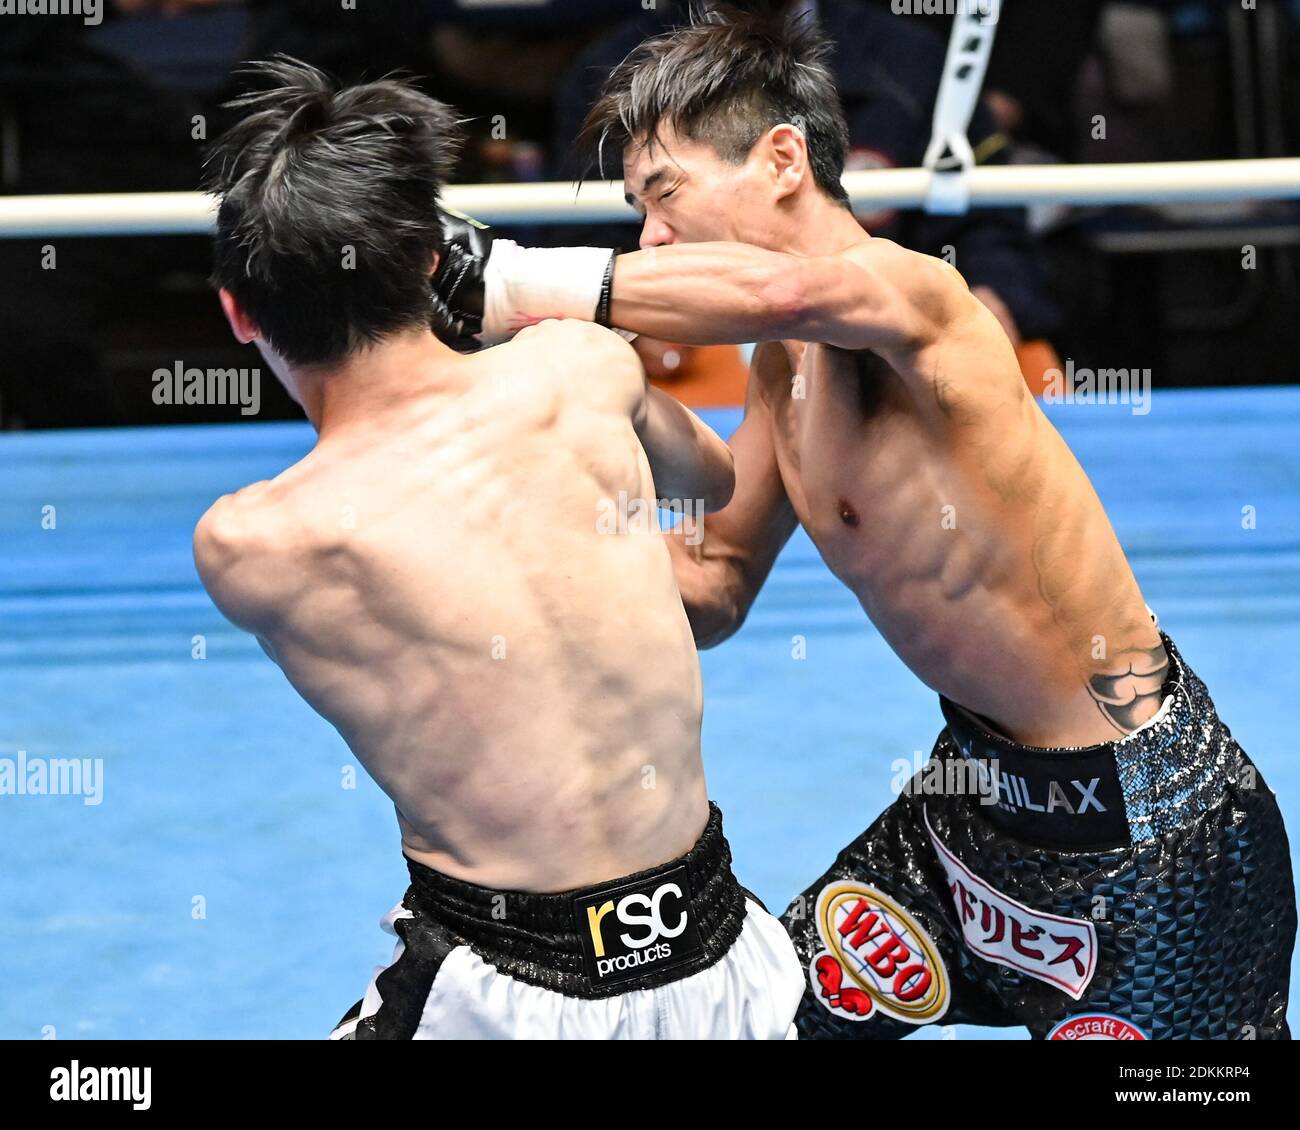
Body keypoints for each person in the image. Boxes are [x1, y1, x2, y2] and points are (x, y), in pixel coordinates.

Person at [431, 4, 1296, 1039]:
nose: (648, 238)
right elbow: (710, 591)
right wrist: (534, 529)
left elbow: (789, 288)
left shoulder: (918, 299)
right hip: (972, 814)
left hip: (1153, 831)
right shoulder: (779, 367)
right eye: (635, 211)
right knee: (762, 1022)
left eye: (664, 196)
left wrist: (508, 280)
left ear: (783, 158)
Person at [193, 58, 804, 1040]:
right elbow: (716, 483)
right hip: (725, 958)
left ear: (238, 313)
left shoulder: (253, 540)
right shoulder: (582, 365)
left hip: (503, 993)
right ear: (434, 257)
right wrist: (525, 311)